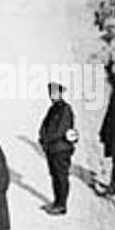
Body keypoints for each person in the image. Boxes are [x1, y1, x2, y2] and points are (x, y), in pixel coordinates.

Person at [37, 81, 77, 214]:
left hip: (61, 148)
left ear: (60, 93)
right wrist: (42, 137)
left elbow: (61, 129)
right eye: (51, 94)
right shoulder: (53, 108)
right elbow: (44, 125)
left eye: (55, 93)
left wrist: (46, 139)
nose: (52, 96)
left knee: (61, 176)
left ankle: (62, 205)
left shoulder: (65, 109)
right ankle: (57, 201)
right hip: (53, 149)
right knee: (55, 176)